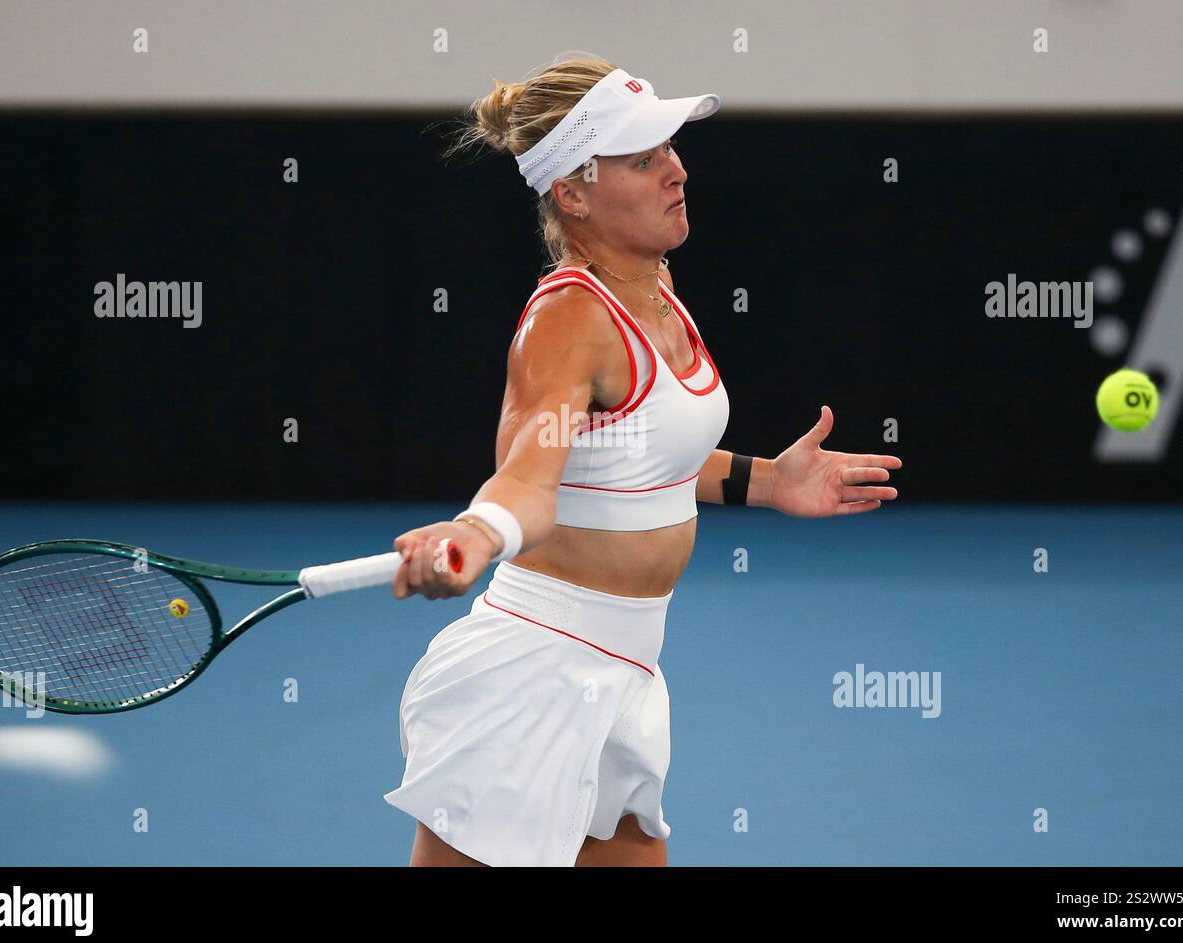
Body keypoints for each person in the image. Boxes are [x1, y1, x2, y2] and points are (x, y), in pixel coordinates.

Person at [384, 52, 902, 867]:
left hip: (626, 666)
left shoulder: (655, 288)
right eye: (644, 157)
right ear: (573, 191)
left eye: (669, 148)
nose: (678, 169)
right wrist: (479, 535)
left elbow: (632, 452)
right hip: (533, 674)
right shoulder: (570, 320)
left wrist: (769, 481)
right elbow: (530, 473)